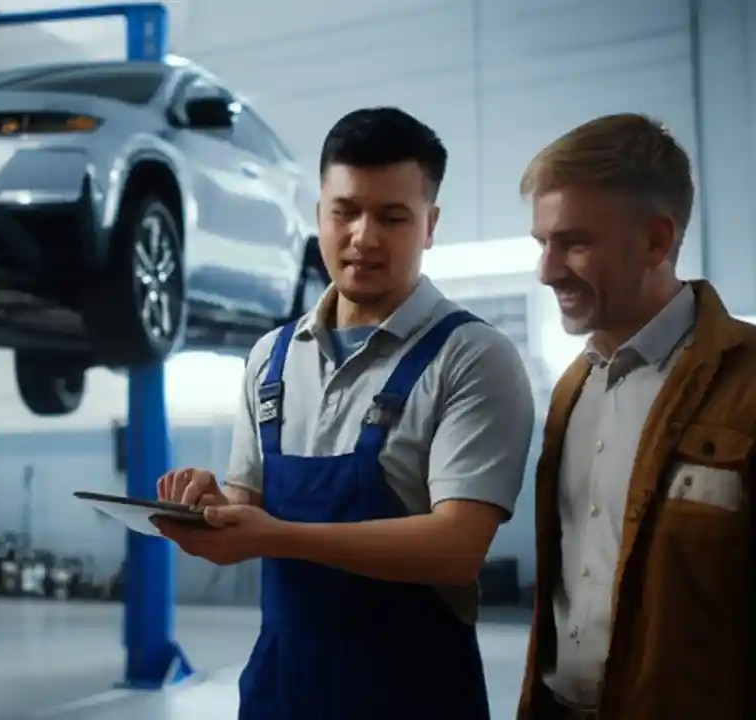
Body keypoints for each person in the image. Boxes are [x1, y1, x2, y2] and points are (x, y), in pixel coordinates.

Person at [153, 107, 537, 719]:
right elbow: (247, 508)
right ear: (318, 215)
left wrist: (275, 536)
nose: (364, 237)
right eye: (345, 211)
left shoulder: (471, 357)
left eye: (392, 216)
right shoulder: (271, 358)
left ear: (430, 225)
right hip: (282, 692)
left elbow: (456, 546)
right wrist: (208, 509)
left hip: (413, 699)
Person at [515, 113, 756, 719]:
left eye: (574, 242)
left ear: (656, 240)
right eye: (542, 243)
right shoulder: (573, 390)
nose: (547, 271)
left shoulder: (747, 388)